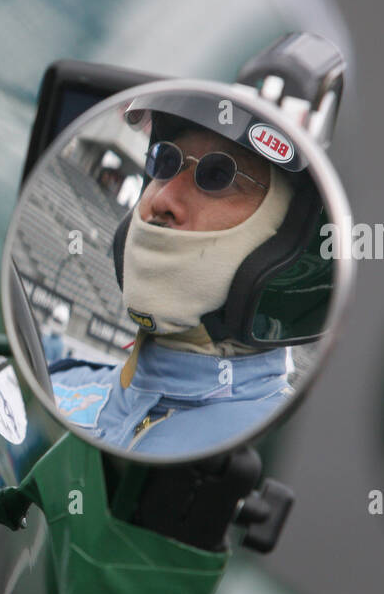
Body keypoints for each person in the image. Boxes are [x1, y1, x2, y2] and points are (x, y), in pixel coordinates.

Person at [50, 104, 314, 456]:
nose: (161, 199)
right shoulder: (57, 382)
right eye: (163, 163)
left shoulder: (285, 453)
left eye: (219, 176)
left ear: (286, 247)